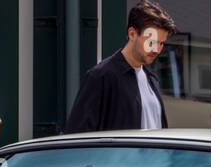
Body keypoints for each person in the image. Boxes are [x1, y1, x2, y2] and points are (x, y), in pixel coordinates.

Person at [65, 1, 175, 133]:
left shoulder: (152, 80)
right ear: (132, 34)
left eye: (161, 43)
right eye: (151, 42)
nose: (157, 49)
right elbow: (77, 136)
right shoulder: (101, 77)